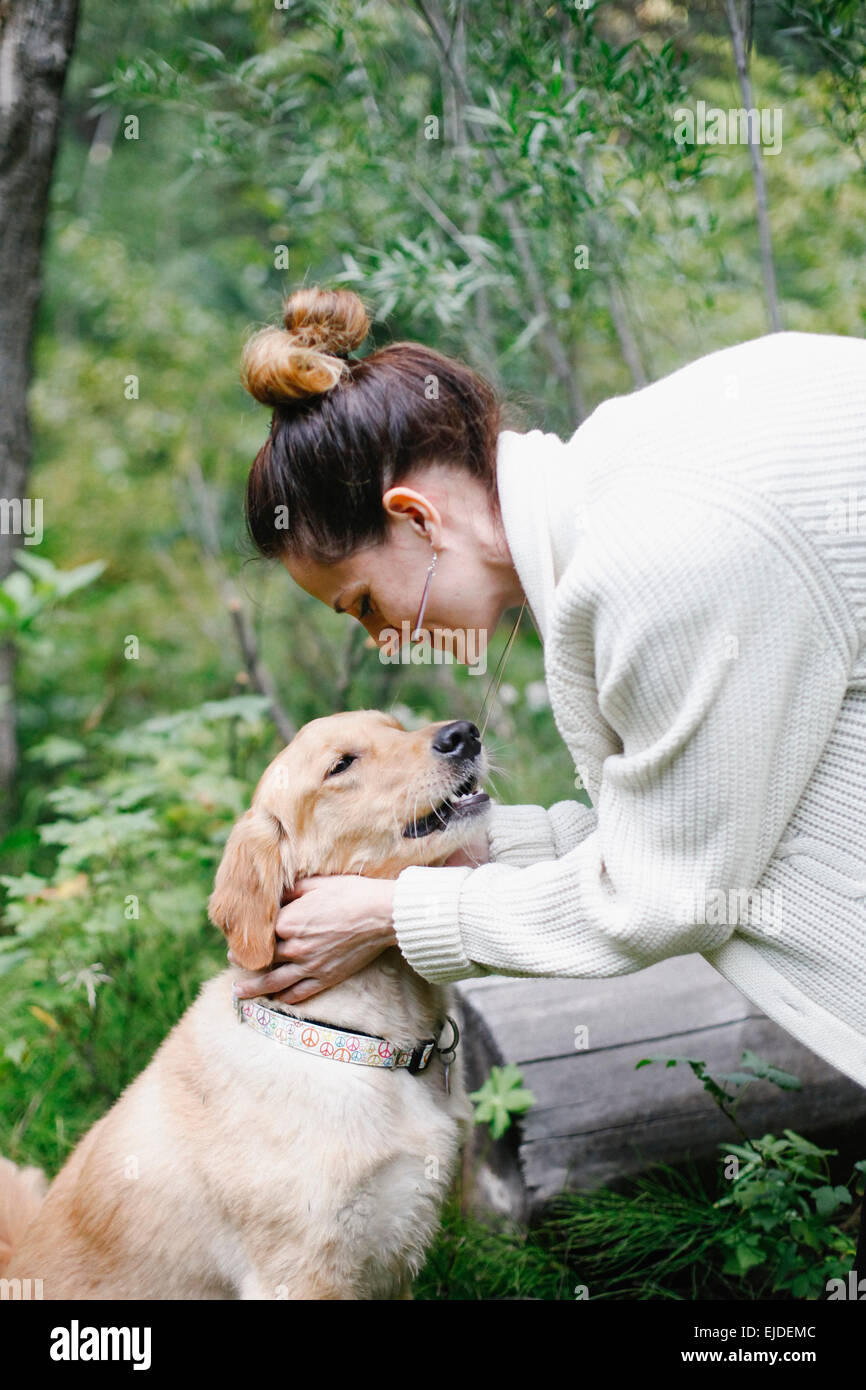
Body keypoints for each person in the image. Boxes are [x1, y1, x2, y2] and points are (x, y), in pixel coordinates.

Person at [230, 285, 866, 1272]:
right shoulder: (622, 479)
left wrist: (390, 917)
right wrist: (412, 870)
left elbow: (661, 894)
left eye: (363, 602)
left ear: (415, 518)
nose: (385, 638)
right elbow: (667, 826)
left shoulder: (661, 558)